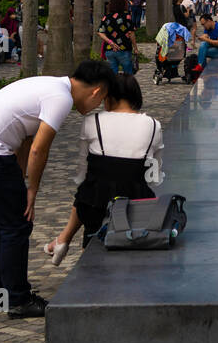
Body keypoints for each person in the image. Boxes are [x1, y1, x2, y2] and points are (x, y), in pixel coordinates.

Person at [0, 59, 114, 317]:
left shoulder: (50, 85)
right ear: (97, 91)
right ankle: (18, 299)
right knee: (16, 225)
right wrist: (32, 189)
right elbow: (40, 149)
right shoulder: (61, 98)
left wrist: (20, 180)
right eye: (102, 99)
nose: (98, 105)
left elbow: (26, 139)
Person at [44, 73, 165, 264]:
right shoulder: (153, 125)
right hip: (137, 202)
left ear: (109, 97)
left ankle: (67, 241)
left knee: (90, 185)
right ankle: (63, 240)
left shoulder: (93, 122)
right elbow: (154, 176)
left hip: (96, 204)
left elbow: (83, 170)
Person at [98, 0, 137, 75]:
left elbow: (100, 32)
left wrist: (110, 42)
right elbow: (131, 33)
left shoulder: (106, 17)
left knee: (112, 75)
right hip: (124, 48)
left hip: (110, 49)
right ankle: (126, 87)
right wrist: (135, 48)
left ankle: (114, 87)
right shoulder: (127, 16)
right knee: (128, 75)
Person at [195, 12, 218, 76]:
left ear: (209, 21)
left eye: (203, 24)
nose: (203, 26)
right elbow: (205, 37)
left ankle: (202, 68)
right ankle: (200, 66)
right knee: (203, 45)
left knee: (204, 52)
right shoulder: (207, 28)